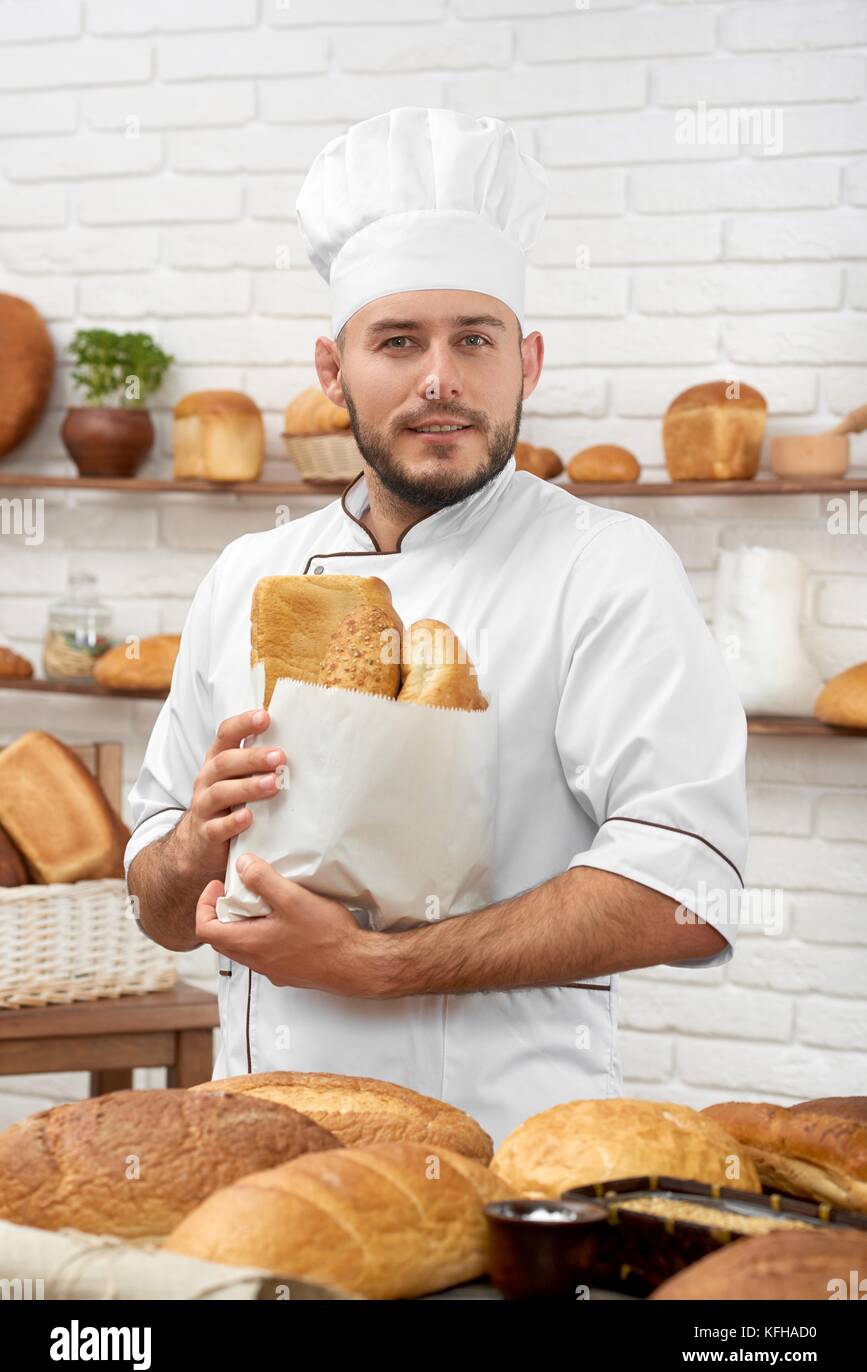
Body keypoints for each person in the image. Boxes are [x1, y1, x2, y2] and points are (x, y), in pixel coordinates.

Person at [125, 107, 749, 1147]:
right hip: (262, 1143)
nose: (440, 381)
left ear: (528, 362)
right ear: (332, 372)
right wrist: (196, 837)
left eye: (475, 339)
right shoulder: (247, 577)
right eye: (399, 340)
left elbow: (689, 894)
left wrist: (380, 966)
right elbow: (154, 908)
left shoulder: (605, 568)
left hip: (506, 1159)